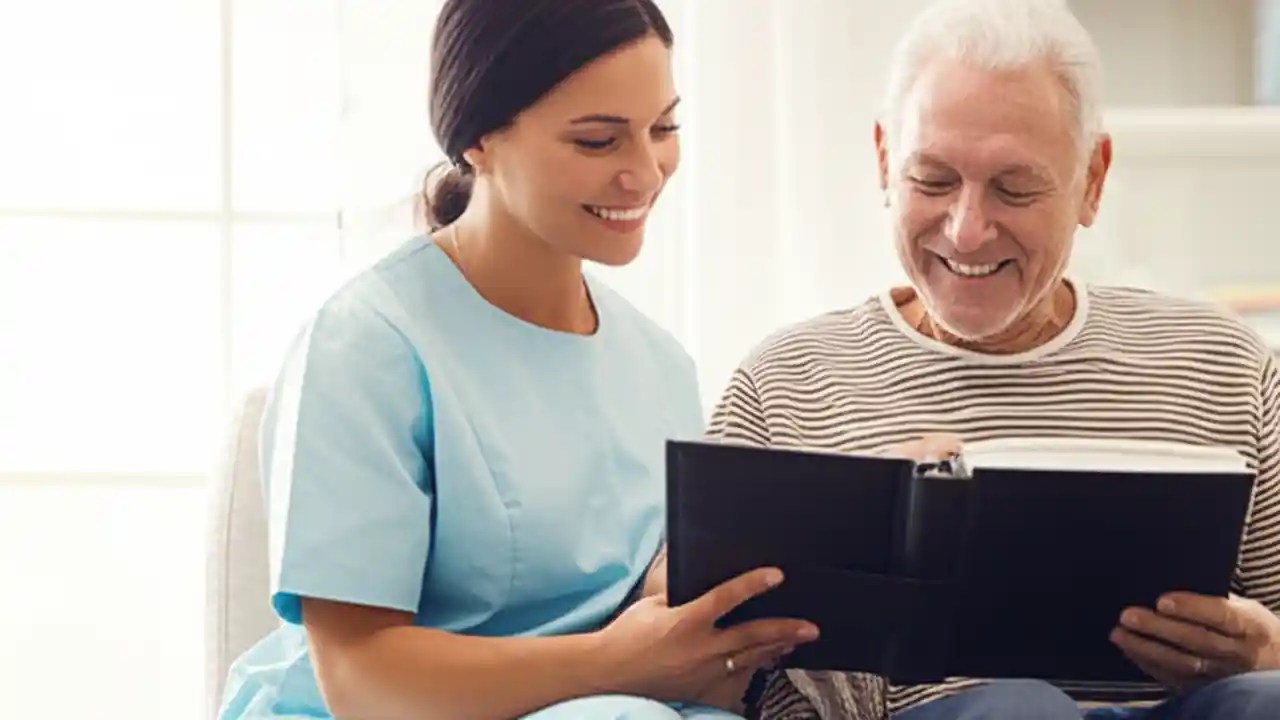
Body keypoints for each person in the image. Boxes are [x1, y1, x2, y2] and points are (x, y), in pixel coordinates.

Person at [216, 1, 820, 718]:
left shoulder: (659, 366)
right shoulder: (368, 347)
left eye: (663, 129)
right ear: (478, 138)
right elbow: (362, 678)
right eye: (597, 141)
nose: (645, 173)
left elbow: (645, 615)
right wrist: (620, 662)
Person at [711, 1, 1280, 719]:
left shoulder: (1224, 363)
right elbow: (689, 649)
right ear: (885, 160)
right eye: (934, 181)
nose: (968, 230)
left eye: (1015, 188)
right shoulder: (788, 382)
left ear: (1093, 180)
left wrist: (1268, 649)